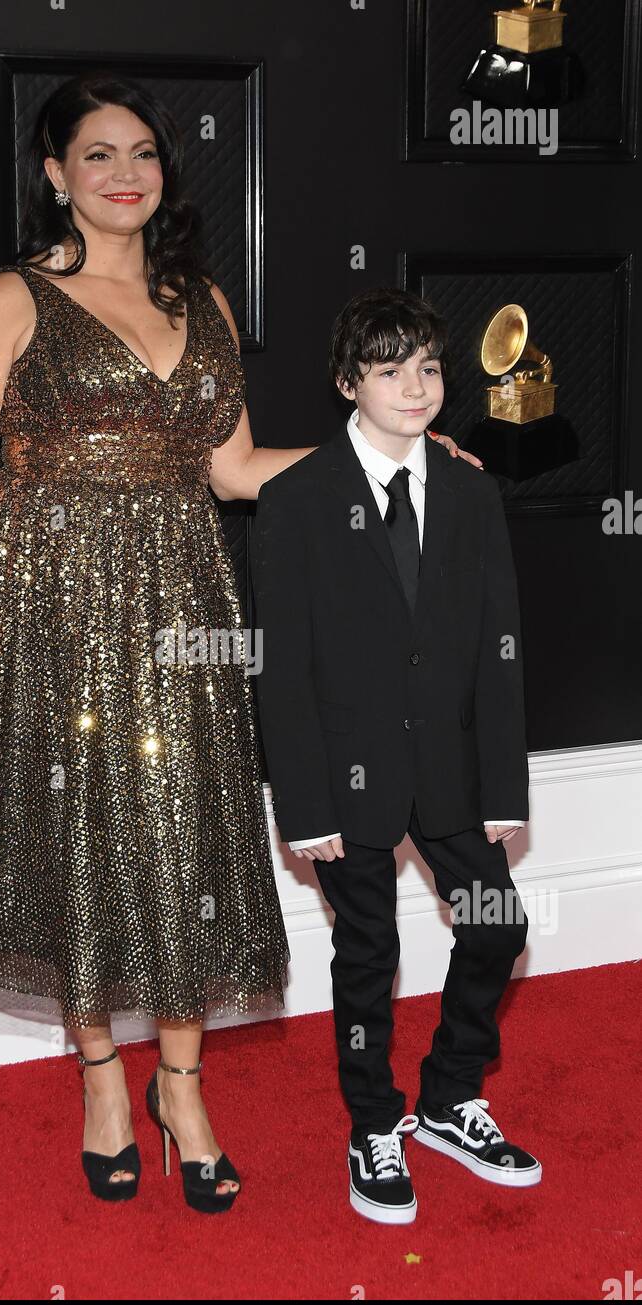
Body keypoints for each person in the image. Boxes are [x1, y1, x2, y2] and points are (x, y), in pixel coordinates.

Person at [0, 73, 476, 1216]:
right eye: (95, 155)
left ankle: (180, 1089)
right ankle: (104, 1080)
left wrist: (402, 452)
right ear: (54, 174)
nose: (123, 173)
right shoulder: (10, 300)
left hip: (181, 603)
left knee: (185, 836)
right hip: (43, 606)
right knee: (79, 839)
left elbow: (233, 470)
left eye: (140, 151)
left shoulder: (202, 299)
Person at [250, 287, 541, 1225]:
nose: (415, 388)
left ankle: (451, 1098)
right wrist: (304, 807)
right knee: (366, 954)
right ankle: (373, 1122)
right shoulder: (296, 501)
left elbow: (501, 646)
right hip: (347, 777)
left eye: (427, 367)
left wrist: (503, 783)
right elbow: (282, 668)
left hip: (455, 774)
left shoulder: (471, 489)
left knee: (496, 928)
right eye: (389, 370)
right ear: (348, 383)